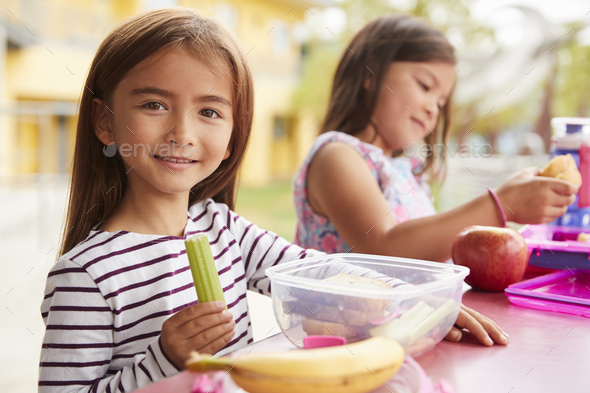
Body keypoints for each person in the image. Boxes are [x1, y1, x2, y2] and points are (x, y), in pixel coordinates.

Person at [38, 9, 322, 392]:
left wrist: (400, 292)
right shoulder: (86, 275)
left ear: (232, 137)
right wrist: (164, 361)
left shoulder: (225, 230)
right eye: (154, 105)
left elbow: (314, 277)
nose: (182, 133)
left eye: (209, 111)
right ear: (105, 121)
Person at [293, 14, 578, 347]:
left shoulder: (403, 169)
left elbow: (424, 252)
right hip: (343, 343)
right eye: (425, 86)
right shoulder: (337, 156)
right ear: (369, 72)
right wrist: (502, 204)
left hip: (402, 334)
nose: (433, 109)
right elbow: (385, 248)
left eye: (441, 102)